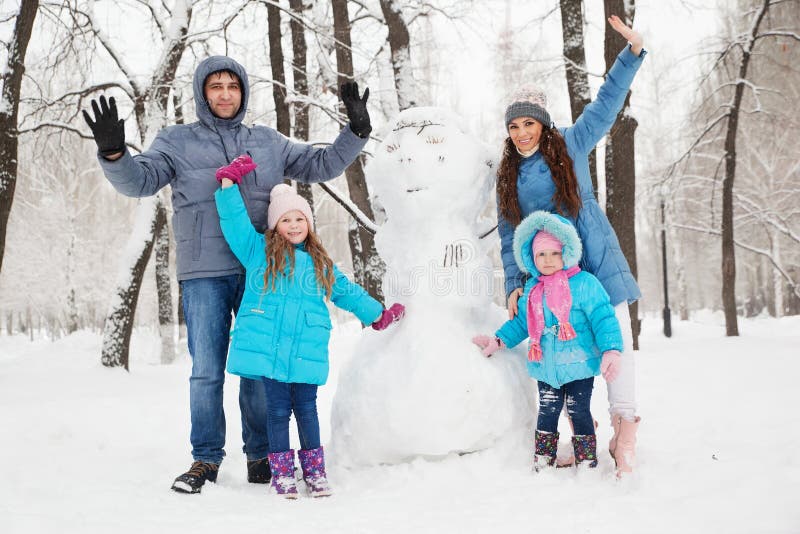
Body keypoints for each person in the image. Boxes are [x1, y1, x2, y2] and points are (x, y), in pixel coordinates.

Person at [81, 55, 374, 494]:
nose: (224, 94)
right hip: (204, 272)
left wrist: (356, 132)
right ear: (202, 92)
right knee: (207, 370)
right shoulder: (176, 141)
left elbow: (321, 164)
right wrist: (114, 154)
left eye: (232, 86)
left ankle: (261, 456)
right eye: (215, 86)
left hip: (263, 272)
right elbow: (139, 181)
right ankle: (205, 458)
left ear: (243, 92)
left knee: (260, 367)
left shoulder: (267, 142)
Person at [495, 15, 645, 475]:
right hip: (548, 270)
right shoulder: (508, 176)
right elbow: (509, 233)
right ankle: (583, 429)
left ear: (543, 123)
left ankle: (625, 431)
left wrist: (631, 53)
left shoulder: (573, 144)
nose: (521, 132)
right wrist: (514, 284)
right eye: (514, 125)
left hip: (595, 254)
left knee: (616, 339)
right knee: (559, 343)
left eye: (528, 123)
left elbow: (606, 104)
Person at [214, 159, 405, 498]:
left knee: (306, 410)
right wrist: (228, 186)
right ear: (275, 225)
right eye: (285, 220)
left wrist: (377, 314)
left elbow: (345, 290)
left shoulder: (319, 262)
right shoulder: (258, 251)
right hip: (271, 350)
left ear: (309, 223)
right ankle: (282, 474)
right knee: (276, 411)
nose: (293, 225)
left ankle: (315, 472)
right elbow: (235, 225)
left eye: (299, 218)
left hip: (306, 348)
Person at [474, 211, 622, 471]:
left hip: (579, 364)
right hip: (546, 365)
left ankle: (587, 460)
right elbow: (522, 323)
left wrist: (611, 349)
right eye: (541, 254)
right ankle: (543, 460)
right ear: (532, 258)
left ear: (567, 252)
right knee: (548, 410)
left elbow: (603, 317)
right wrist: (498, 340)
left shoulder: (584, 284)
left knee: (578, 410)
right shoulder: (533, 289)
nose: (548, 260)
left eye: (555, 253)